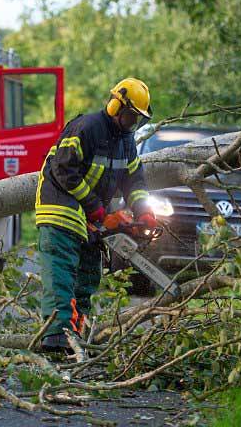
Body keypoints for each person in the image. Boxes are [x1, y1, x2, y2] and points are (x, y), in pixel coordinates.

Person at [35, 77, 158, 351]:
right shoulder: (87, 127)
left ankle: (76, 334)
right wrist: (98, 210)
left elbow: (135, 181)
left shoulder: (126, 143)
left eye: (137, 119)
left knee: (89, 275)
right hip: (60, 208)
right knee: (62, 272)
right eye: (130, 116)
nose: (132, 123)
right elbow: (63, 169)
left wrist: (144, 211)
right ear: (115, 106)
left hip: (88, 214)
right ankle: (56, 336)